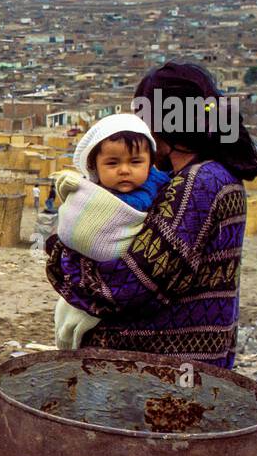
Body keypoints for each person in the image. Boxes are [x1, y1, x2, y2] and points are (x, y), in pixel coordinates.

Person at [46, 62, 257, 369]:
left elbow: (126, 285)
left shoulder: (200, 184)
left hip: (161, 373)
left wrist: (62, 256)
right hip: (189, 366)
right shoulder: (215, 176)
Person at [50, 113, 169, 348]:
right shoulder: (90, 192)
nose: (124, 170)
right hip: (87, 275)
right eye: (112, 163)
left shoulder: (159, 186)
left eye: (135, 162)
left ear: (150, 162)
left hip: (123, 280)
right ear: (94, 166)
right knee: (68, 316)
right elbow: (72, 224)